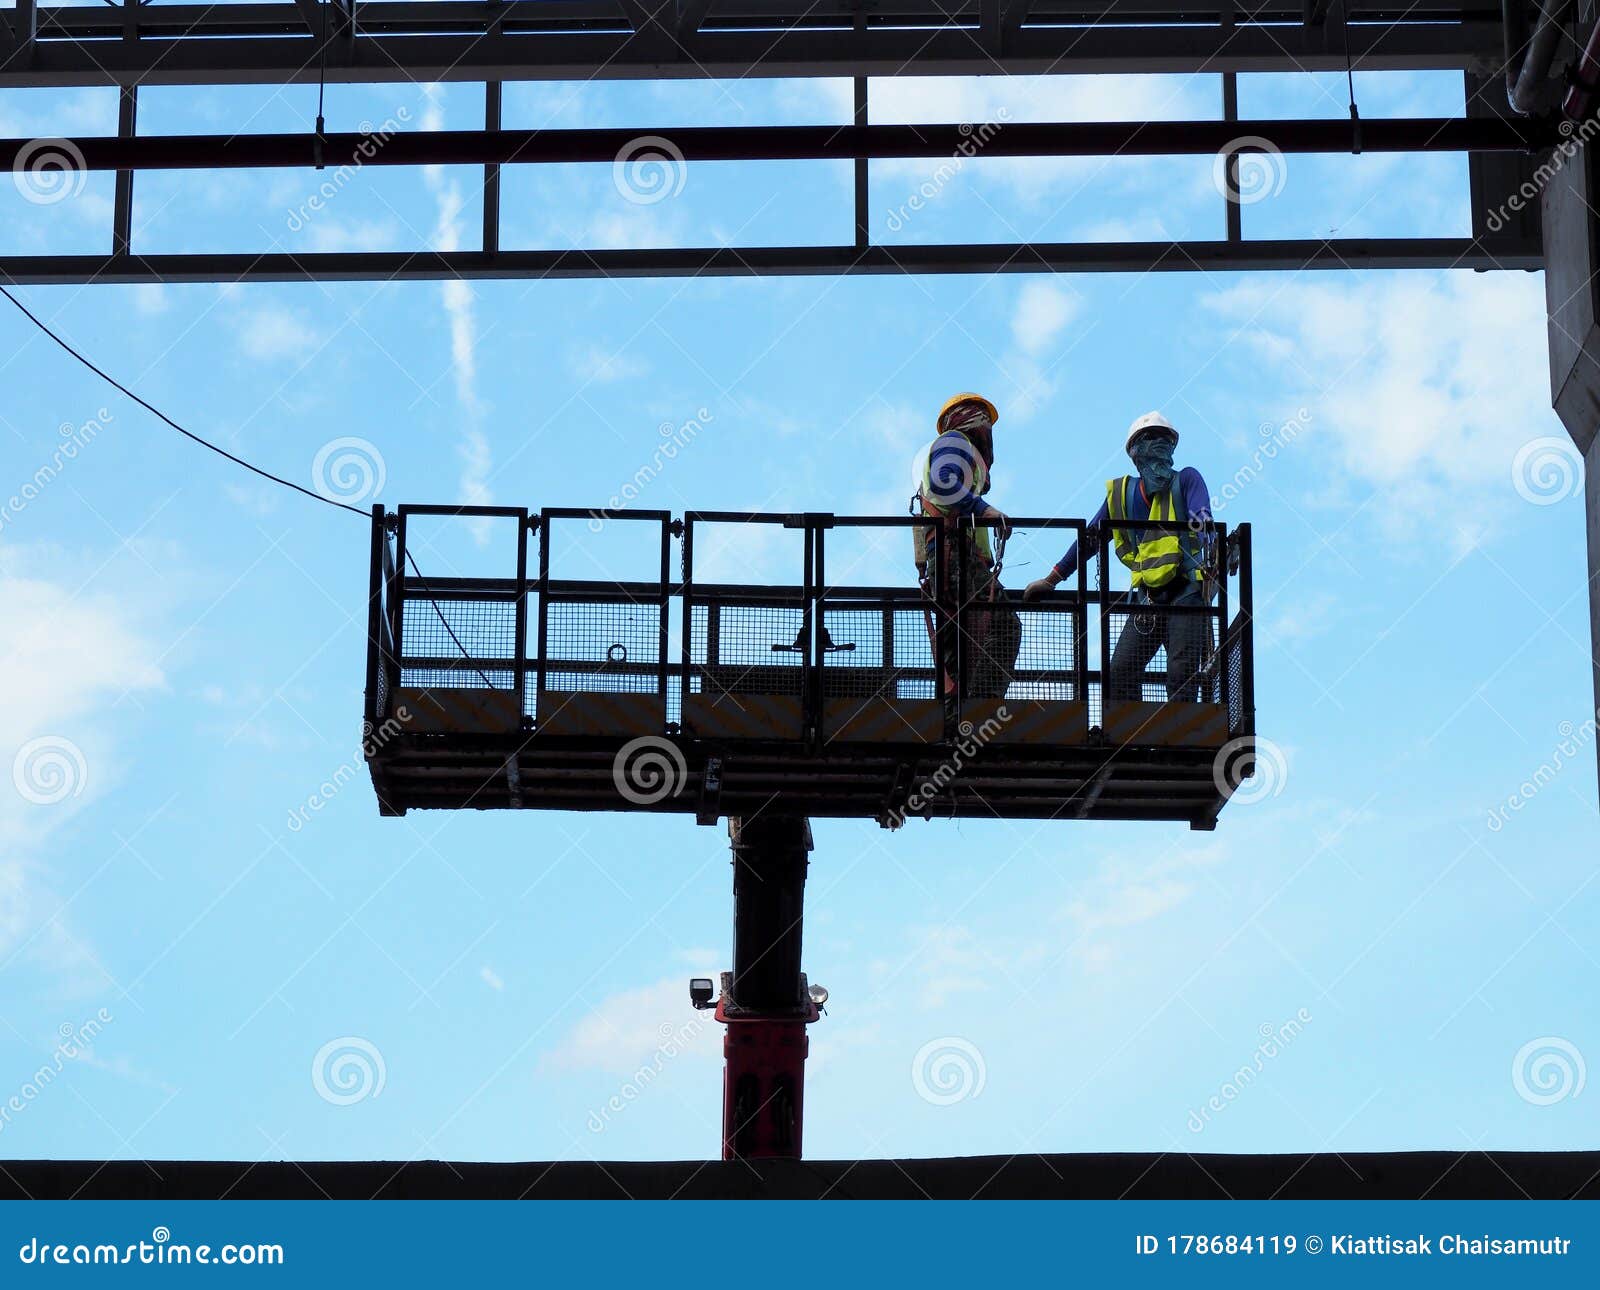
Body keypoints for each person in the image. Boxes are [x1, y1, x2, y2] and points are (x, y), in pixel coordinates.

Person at [1023, 411, 1214, 703]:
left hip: (1186, 593)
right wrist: (1051, 580)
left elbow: (1203, 518)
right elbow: (1089, 541)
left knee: (1181, 675)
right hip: (1149, 598)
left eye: (1164, 441)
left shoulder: (1186, 480)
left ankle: (1179, 737)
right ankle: (1130, 739)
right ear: (1135, 452)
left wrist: (1212, 550)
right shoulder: (1121, 495)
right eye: (1150, 440)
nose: (1158, 447)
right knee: (1121, 671)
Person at [912, 393, 1016, 706]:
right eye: (979, 415)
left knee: (963, 643)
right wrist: (985, 510)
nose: (985, 425)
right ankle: (978, 706)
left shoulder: (960, 450)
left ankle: (958, 712)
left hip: (956, 555)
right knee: (1002, 626)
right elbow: (944, 484)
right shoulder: (955, 442)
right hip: (955, 552)